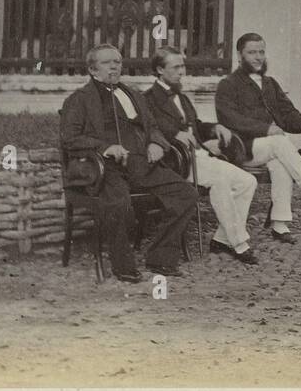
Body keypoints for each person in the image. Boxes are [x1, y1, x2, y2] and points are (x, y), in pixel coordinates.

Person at [60, 44, 198, 281]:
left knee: (186, 194)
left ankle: (160, 258)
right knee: (120, 202)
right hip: (105, 168)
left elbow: (152, 126)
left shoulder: (134, 94)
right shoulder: (80, 99)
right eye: (106, 63)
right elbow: (70, 138)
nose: (114, 67)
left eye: (117, 62)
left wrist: (156, 143)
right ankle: (123, 266)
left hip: (141, 164)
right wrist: (105, 148)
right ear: (93, 70)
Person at [214, 33, 301, 243]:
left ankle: (280, 224)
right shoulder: (228, 84)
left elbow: (287, 112)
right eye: (252, 52)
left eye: (261, 52)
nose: (258, 57)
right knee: (279, 142)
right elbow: (229, 119)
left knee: (280, 163)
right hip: (241, 148)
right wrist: (266, 129)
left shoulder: (269, 83)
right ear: (239, 55)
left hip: (268, 149)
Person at [144, 47, 261, 265]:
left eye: (182, 66)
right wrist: (173, 134)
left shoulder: (182, 97)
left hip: (200, 156)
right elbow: (149, 129)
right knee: (220, 182)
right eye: (176, 67)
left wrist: (215, 128)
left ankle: (221, 240)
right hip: (177, 161)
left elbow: (195, 126)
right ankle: (239, 243)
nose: (182, 72)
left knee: (248, 181)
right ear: (159, 69)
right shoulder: (148, 99)